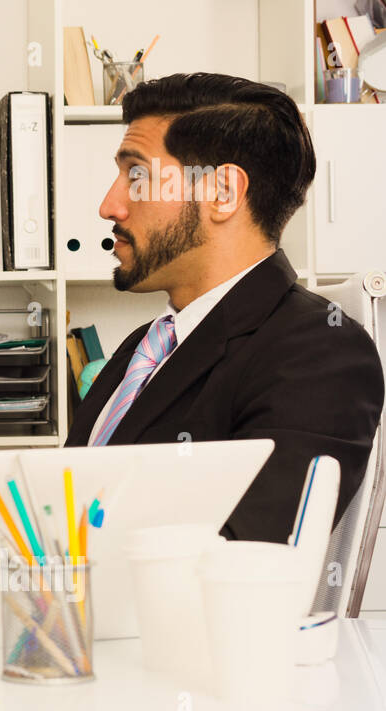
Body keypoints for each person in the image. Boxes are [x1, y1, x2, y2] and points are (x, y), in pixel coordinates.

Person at [66, 72, 384, 542]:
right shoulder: (149, 346)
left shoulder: (322, 353)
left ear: (221, 193)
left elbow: (248, 563)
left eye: (137, 176)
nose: (109, 205)